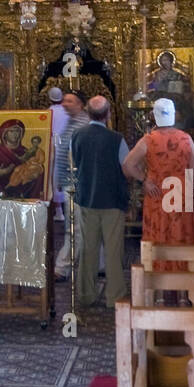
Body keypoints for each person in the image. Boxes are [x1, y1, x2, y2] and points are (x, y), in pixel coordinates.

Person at [122, 97, 194, 304]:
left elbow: (128, 165)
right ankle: (183, 295)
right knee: (181, 240)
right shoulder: (186, 139)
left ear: (154, 116)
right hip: (181, 200)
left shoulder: (148, 140)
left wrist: (145, 180)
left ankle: (158, 295)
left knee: (157, 241)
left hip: (157, 200)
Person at [69, 95, 130, 309]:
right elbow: (126, 166)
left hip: (86, 198)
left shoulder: (77, 135)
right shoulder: (116, 139)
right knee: (113, 251)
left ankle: (86, 294)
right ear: (108, 114)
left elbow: (75, 161)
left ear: (88, 113)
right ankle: (115, 297)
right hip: (112, 200)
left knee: (87, 248)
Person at [51, 90, 91, 279]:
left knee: (73, 227)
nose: (65, 103)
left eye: (70, 101)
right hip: (70, 182)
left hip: (78, 184)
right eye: (64, 100)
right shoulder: (71, 122)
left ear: (80, 105)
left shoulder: (83, 125)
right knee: (82, 225)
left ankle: (62, 267)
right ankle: (97, 264)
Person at [0, 119, 45, 199]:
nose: (15, 134)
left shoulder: (26, 152)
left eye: (17, 131)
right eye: (11, 131)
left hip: (24, 198)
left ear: (21, 134)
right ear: (4, 134)